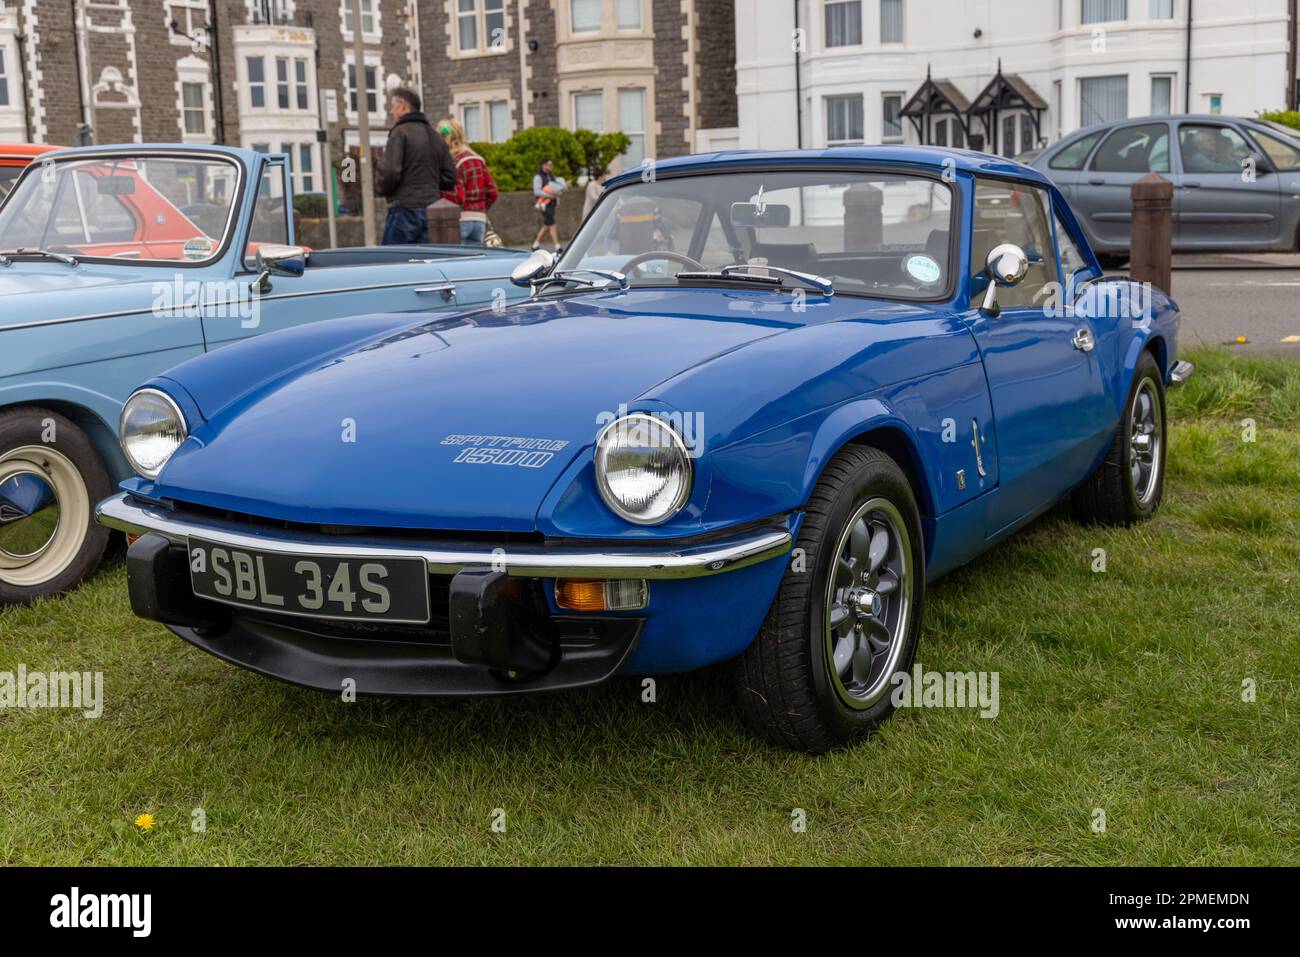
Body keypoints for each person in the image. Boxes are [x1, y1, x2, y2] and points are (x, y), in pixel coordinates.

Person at [374, 88, 456, 245]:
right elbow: (450, 177)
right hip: (432, 210)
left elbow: (390, 171)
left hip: (403, 209)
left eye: (393, 106)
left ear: (403, 106)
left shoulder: (399, 133)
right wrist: (430, 186)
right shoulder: (436, 137)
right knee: (426, 262)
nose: (391, 111)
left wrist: (382, 189)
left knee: (394, 264)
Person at [435, 118, 499, 245]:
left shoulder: (453, 161)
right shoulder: (478, 159)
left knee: (457, 262)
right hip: (480, 220)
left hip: (460, 220)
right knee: (473, 262)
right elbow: (493, 192)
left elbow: (457, 197)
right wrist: (481, 209)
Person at [532, 158, 566, 252]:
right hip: (544, 204)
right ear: (544, 165)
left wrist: (558, 192)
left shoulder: (552, 176)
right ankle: (557, 246)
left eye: (552, 165)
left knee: (547, 224)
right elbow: (537, 191)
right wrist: (549, 195)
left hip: (552, 203)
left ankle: (535, 245)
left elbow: (556, 187)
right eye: (549, 164)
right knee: (552, 224)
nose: (551, 166)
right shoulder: (538, 177)